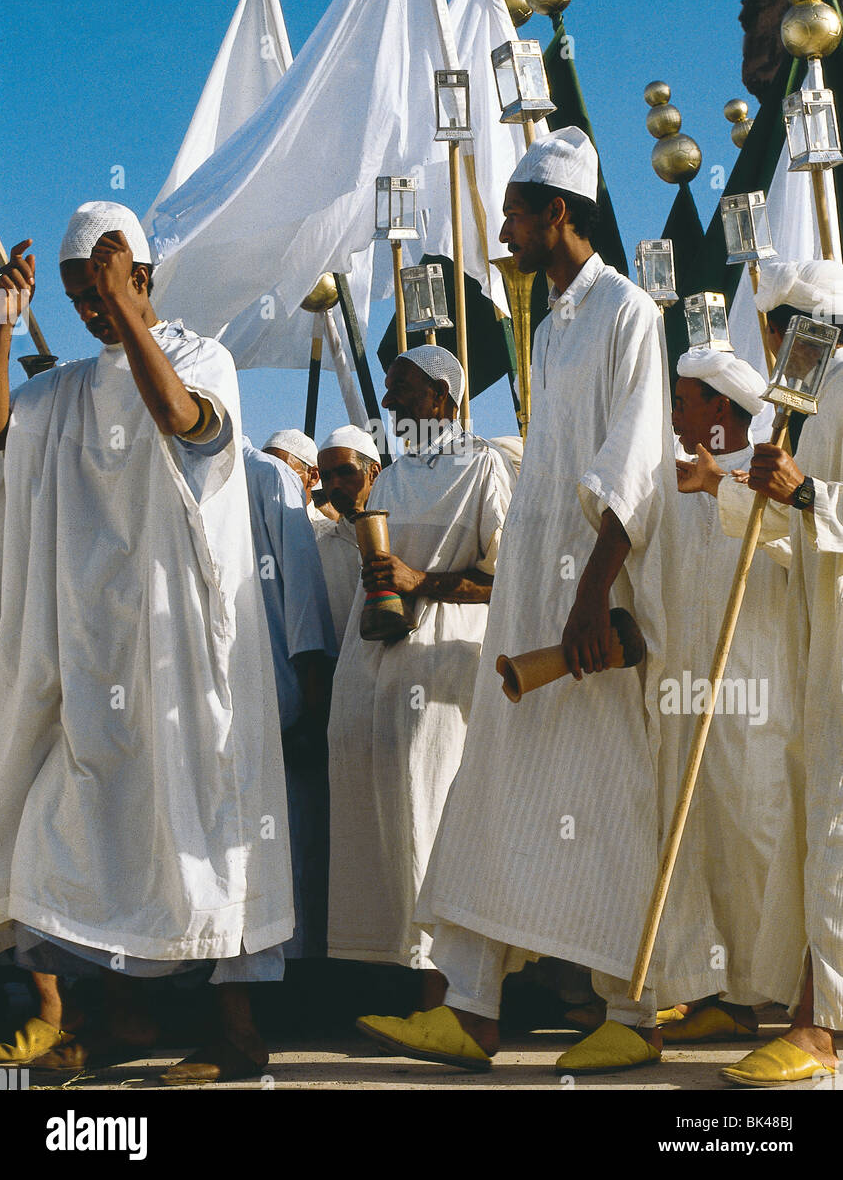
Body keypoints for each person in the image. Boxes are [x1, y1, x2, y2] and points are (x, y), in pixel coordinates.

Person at [357, 127, 678, 1074]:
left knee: (609, 795)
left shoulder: (627, 312)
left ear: (557, 214)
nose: (503, 229)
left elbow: (637, 470)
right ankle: (469, 1011)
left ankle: (638, 1012)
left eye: (512, 213)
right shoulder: (546, 323)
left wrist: (591, 597)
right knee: (491, 794)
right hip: (531, 601)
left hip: (587, 606)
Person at [0, 202, 294, 1082]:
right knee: (71, 829)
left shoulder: (205, 358)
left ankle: (237, 1038)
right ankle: (113, 1021)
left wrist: (127, 310)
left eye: (101, 291)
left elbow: (185, 420)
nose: (90, 310)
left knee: (202, 832)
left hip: (186, 654)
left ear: (141, 278)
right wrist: (1, 328)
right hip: (94, 656)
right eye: (78, 296)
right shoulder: (68, 389)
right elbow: (3, 438)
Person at [682, 260, 843, 1086]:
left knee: (836, 829)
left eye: (774, 328)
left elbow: (812, 503)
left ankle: (823, 1031)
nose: (769, 345)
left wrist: (810, 491)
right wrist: (738, 485)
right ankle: (811, 1012)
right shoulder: (802, 407)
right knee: (821, 822)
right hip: (821, 644)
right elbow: (779, 523)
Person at [326, 346, 513, 1008]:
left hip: (440, 672)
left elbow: (506, 574)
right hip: (376, 665)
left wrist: (421, 583)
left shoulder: (484, 467)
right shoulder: (395, 476)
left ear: (442, 396)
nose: (388, 402)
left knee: (432, 818)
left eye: (401, 389)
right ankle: (416, 991)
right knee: (384, 824)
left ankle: (455, 999)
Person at [656, 346, 790, 1043]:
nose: (673, 416)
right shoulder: (673, 480)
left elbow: (802, 541)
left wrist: (722, 488)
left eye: (682, 403)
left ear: (716, 408)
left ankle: (810, 998)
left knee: (761, 836)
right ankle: (732, 994)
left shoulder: (774, 468)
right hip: (688, 694)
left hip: (760, 695)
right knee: (709, 847)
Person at [242, 436, 337, 959]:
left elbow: (302, 594)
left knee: (291, 838)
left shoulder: (267, 477)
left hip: (279, 687)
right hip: (212, 695)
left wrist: (311, 696)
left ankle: (294, 970)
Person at [315, 426, 381, 647]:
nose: (335, 485)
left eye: (345, 472)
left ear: (373, 473)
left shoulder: (403, 534)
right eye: (326, 477)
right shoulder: (321, 549)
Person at [262, 429, 325, 527]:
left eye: (282, 471)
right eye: (265, 471)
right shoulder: (247, 525)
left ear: (313, 476)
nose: (271, 478)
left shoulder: (329, 536)